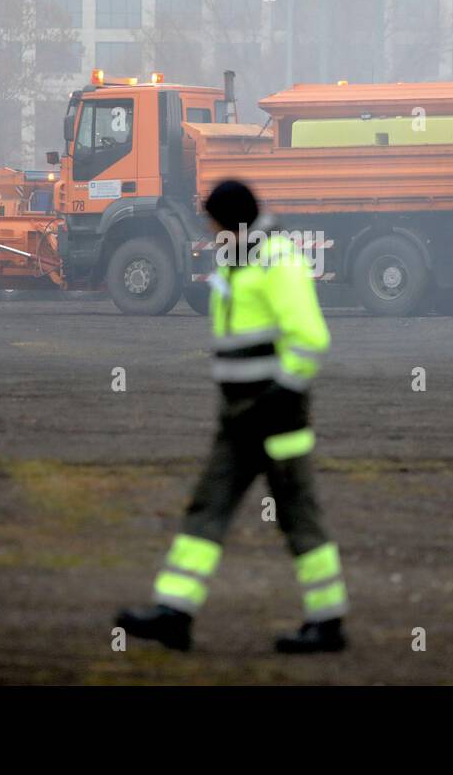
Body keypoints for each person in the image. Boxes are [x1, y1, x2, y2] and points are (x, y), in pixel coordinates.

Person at [116, 179, 349, 654]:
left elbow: (309, 337)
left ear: (230, 222)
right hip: (239, 416)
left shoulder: (275, 261)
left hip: (277, 415)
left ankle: (327, 623)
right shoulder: (238, 260)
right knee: (208, 505)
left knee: (298, 514)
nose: (207, 229)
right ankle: (174, 613)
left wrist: (283, 393)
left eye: (212, 221)